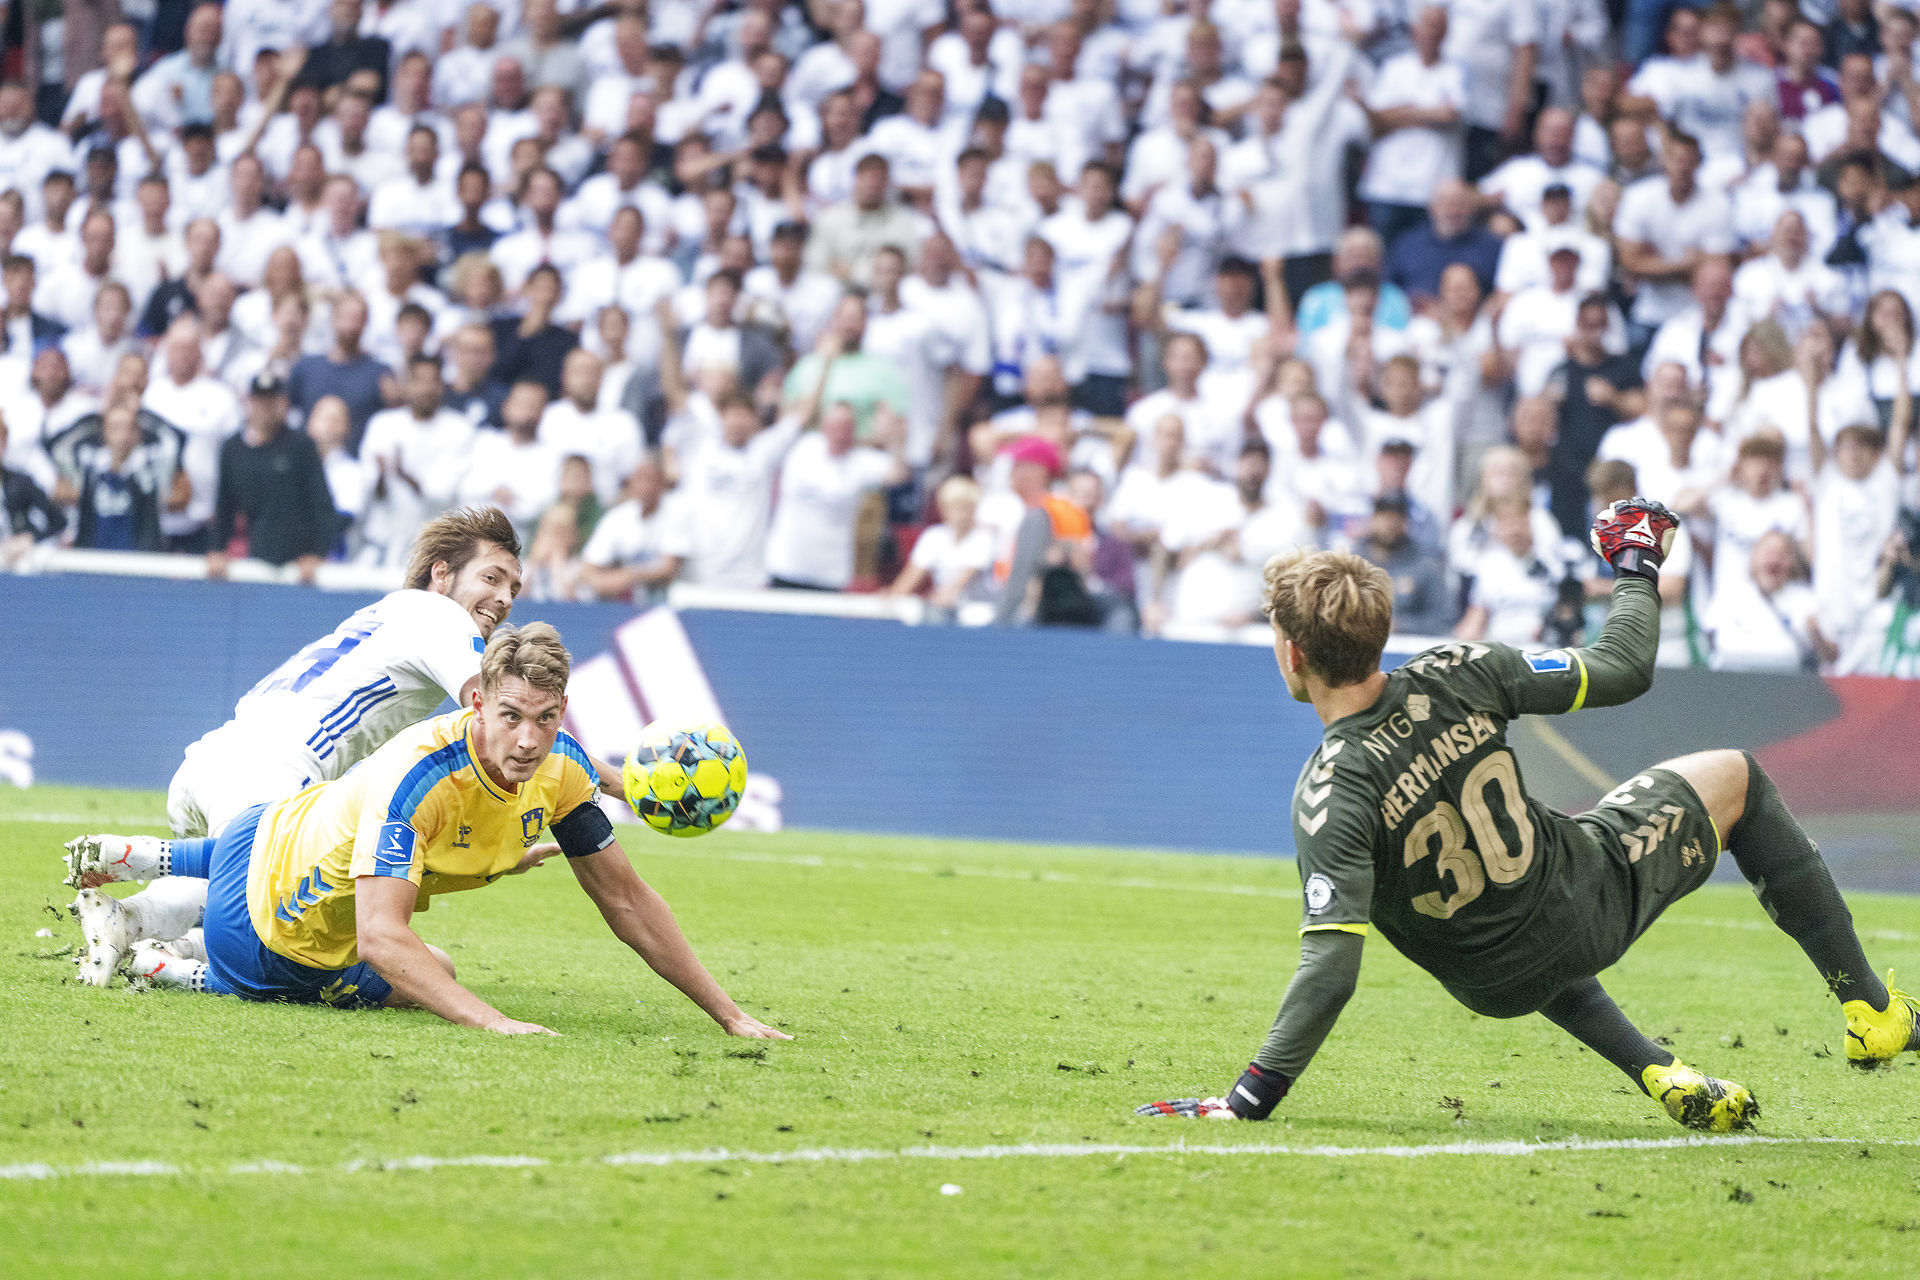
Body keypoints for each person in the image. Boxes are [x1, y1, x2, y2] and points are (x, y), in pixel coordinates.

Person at [1136, 501, 1919, 1131]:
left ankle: (1659, 1068)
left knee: (1492, 907)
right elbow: (1622, 667)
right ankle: (1872, 1013)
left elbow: (1332, 967)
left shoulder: (1330, 790)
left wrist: (1248, 1097)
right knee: (1737, 777)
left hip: (1490, 979)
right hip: (1590, 900)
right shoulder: (1459, 671)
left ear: (1294, 656)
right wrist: (1636, 566)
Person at [66, 623, 788, 1044]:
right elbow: (383, 938)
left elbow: (628, 901)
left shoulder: (564, 769)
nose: (529, 739)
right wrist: (497, 1023)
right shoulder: (422, 777)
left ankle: (139, 868)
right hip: (266, 932)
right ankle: (166, 964)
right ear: (476, 700)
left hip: (267, 830)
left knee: (405, 927)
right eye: (511, 715)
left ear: (564, 711)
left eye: (545, 718)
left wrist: (729, 1015)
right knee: (425, 970)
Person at [207, 372, 339, 581]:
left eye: (272, 400)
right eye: (260, 400)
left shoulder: (300, 446)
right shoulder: (233, 449)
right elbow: (224, 505)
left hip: (299, 563)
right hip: (256, 554)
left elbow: (321, 504)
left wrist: (317, 553)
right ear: (249, 402)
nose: (265, 407)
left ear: (282, 403)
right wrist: (217, 549)